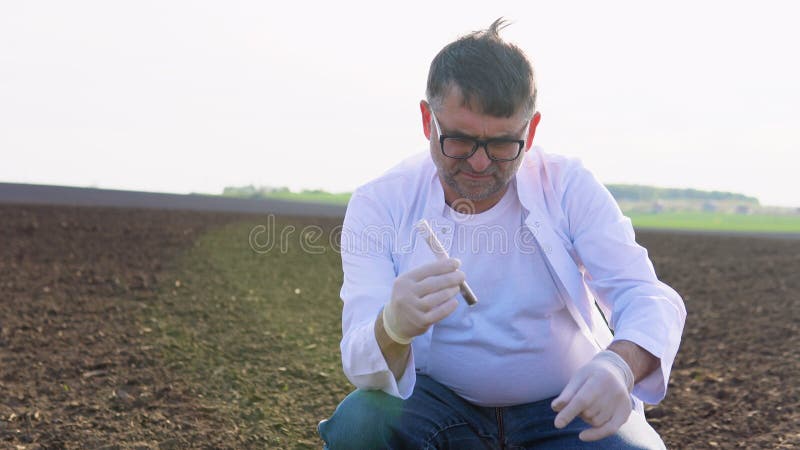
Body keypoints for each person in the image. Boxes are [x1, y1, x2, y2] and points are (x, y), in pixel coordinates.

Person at [319, 18, 686, 449]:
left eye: (502, 145)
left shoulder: (567, 186)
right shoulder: (381, 202)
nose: (479, 163)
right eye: (459, 140)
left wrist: (619, 366)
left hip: (563, 408)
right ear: (427, 120)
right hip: (437, 408)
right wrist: (392, 328)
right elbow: (360, 361)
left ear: (531, 130)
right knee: (360, 423)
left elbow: (644, 294)